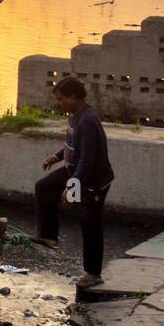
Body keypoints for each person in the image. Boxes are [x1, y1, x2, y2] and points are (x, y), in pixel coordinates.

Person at [33, 76, 115, 288]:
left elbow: (88, 160)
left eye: (60, 99)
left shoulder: (88, 120)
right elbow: (72, 144)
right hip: (74, 172)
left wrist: (72, 187)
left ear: (73, 97)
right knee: (44, 187)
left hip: (91, 181)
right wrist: (57, 157)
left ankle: (93, 274)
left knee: (89, 222)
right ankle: (49, 237)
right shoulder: (75, 116)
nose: (57, 103)